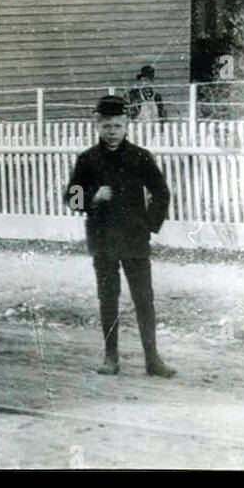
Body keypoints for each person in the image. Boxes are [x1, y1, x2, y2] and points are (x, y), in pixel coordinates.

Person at [66, 96, 175, 377]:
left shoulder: (140, 156)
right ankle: (111, 358)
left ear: (126, 125)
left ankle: (153, 360)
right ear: (97, 125)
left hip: (134, 241)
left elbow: (161, 192)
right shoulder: (87, 159)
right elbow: (72, 197)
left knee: (144, 299)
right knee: (108, 299)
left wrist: (148, 225)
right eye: (106, 126)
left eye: (116, 125)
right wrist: (92, 197)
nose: (112, 131)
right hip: (102, 242)